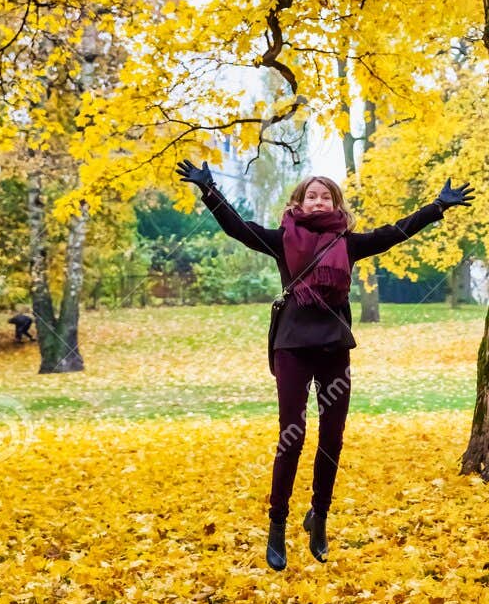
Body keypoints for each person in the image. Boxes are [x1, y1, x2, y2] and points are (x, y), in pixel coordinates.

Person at [175, 160, 473, 570]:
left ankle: (319, 517)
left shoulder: (347, 243)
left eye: (326, 196)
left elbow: (395, 234)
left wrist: (436, 207)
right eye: (311, 195)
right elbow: (237, 228)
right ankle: (277, 526)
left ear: (336, 203)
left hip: (333, 347)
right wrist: (209, 191)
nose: (319, 200)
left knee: (332, 438)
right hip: (292, 347)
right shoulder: (282, 240)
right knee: (291, 437)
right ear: (299, 202)